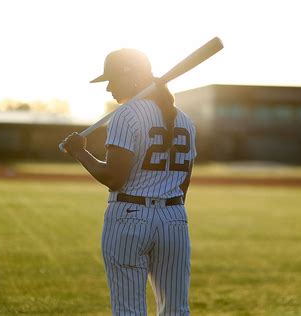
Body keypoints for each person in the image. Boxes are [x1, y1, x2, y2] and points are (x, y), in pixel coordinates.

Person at [61, 48, 196, 315]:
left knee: (128, 310)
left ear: (132, 77)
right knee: (176, 310)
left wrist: (79, 152)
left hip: (129, 218)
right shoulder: (185, 120)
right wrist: (167, 210)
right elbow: (183, 183)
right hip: (175, 219)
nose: (108, 87)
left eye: (112, 79)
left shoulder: (126, 115)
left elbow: (114, 177)